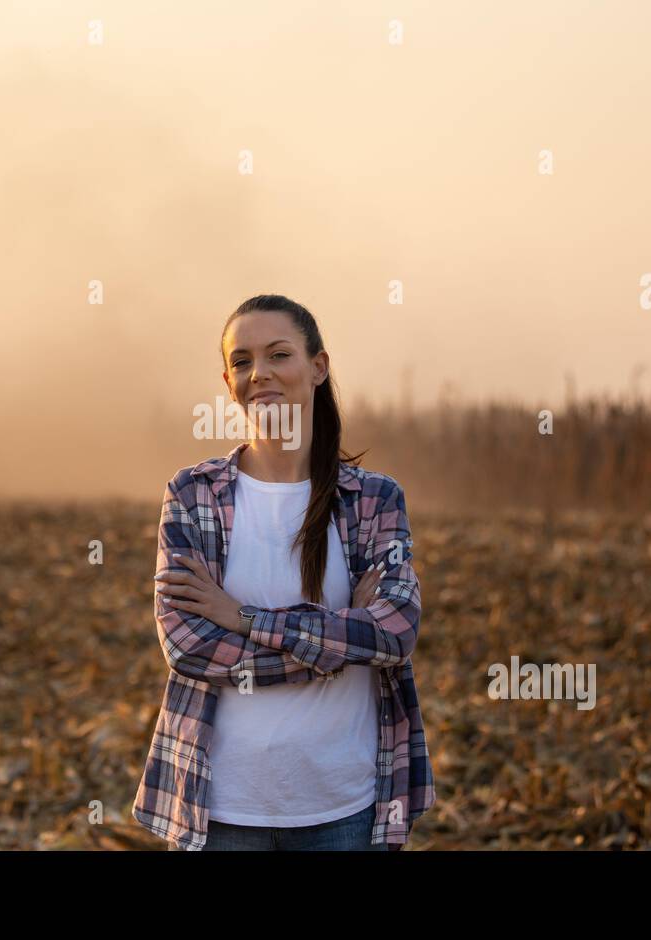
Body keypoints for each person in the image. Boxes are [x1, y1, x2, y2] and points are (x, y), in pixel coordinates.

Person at [131, 293, 436, 850]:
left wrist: (240, 617)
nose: (260, 374)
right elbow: (188, 646)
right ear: (228, 381)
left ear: (318, 367)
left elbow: (394, 633)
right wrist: (337, 646)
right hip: (221, 805)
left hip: (343, 806)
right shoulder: (193, 494)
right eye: (242, 362)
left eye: (278, 355)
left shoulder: (373, 499)